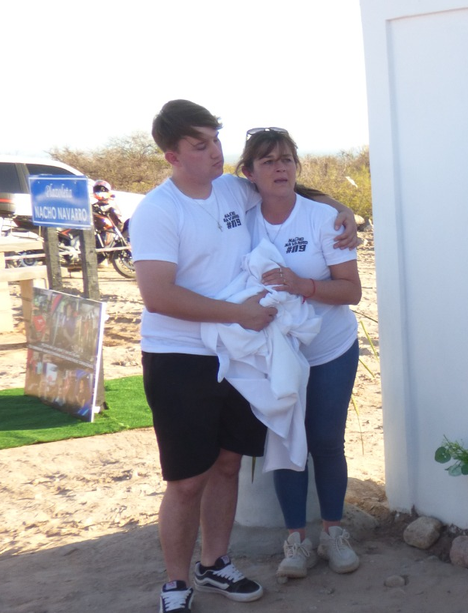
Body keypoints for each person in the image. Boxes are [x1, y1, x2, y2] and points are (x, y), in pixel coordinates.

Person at [132, 100, 358, 613]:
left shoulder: (233, 189)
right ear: (172, 156)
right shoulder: (158, 211)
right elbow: (157, 296)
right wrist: (237, 314)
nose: (215, 152)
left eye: (216, 140)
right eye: (200, 145)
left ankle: (215, 564)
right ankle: (175, 584)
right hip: (181, 355)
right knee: (186, 480)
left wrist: (338, 207)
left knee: (229, 464)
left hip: (241, 354)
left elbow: (289, 188)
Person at [235, 127, 364, 582]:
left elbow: (351, 291)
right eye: (268, 161)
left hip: (330, 349)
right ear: (249, 173)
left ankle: (333, 534)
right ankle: (296, 542)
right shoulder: (240, 220)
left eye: (287, 159)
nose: (280, 168)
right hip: (271, 354)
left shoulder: (322, 219)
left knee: (326, 441)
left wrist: (300, 284)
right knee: (286, 442)